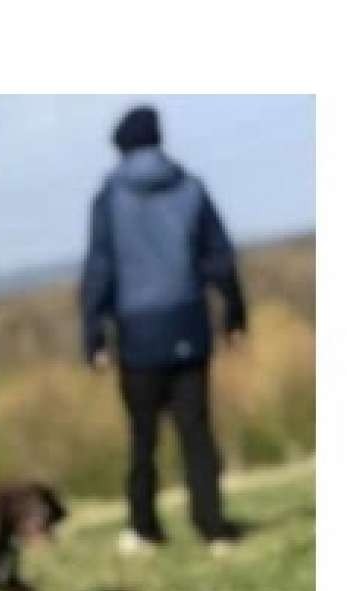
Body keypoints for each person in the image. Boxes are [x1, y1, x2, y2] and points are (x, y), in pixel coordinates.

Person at [80, 104, 248, 556]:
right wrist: (234, 314)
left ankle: (144, 528)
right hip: (189, 323)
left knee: (143, 436)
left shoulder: (110, 197)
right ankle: (213, 527)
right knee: (196, 433)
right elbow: (219, 258)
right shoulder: (191, 187)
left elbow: (100, 269)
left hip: (138, 332)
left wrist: (94, 335)